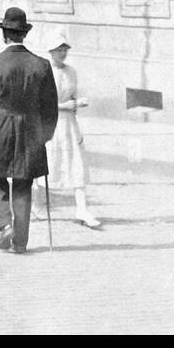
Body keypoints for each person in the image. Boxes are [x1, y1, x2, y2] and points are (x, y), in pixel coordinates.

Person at [0, 7, 59, 254]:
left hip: (0, 128)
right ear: (23, 34)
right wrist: (45, 134)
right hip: (31, 131)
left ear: (4, 35)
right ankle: (21, 241)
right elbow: (51, 107)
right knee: (23, 182)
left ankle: (3, 224)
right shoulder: (41, 65)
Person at [36, 32, 101, 229]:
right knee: (48, 163)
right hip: (50, 123)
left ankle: (81, 208)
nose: (62, 53)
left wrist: (78, 103)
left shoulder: (72, 71)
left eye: (64, 49)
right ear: (51, 51)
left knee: (76, 164)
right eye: (58, 49)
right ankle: (37, 205)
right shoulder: (44, 72)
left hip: (69, 125)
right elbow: (41, 103)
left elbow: (74, 95)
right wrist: (66, 105)